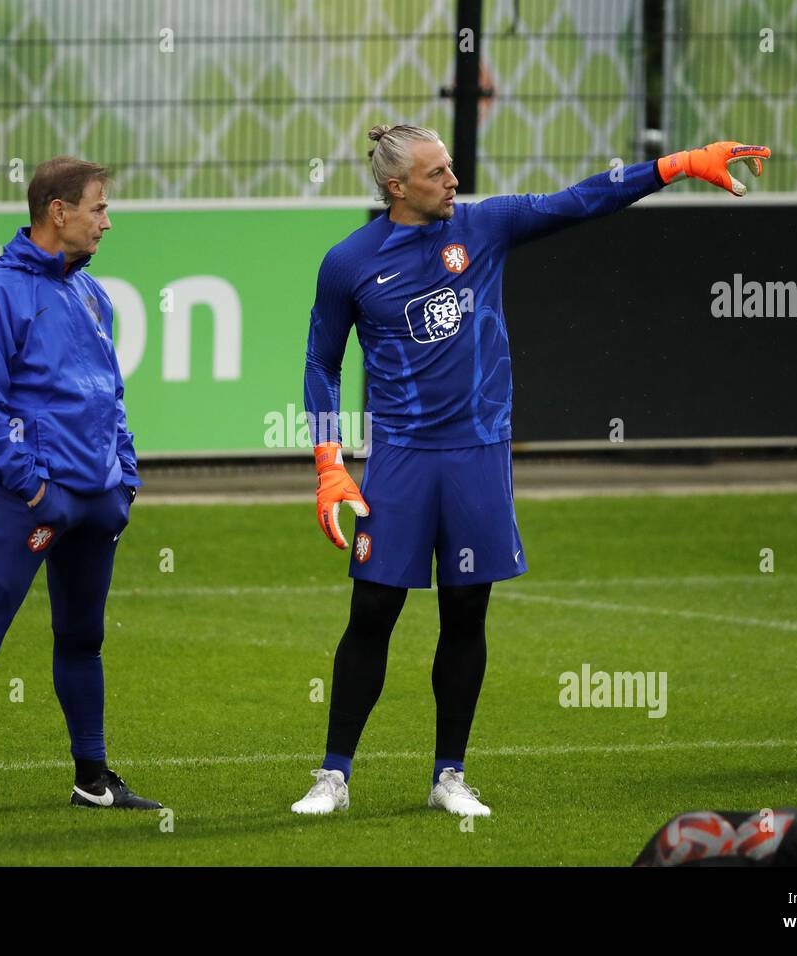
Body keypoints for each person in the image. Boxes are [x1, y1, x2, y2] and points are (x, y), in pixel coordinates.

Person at [293, 127, 770, 816]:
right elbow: (320, 362)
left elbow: (581, 201)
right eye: (436, 173)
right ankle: (333, 777)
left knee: (466, 611)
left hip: (479, 454)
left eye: (451, 168)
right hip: (398, 460)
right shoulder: (348, 263)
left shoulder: (485, 225)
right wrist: (328, 460)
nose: (453, 180)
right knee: (372, 610)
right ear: (396, 187)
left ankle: (449, 777)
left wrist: (678, 165)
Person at [0, 156, 160, 819]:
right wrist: (33, 488)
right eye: (98, 208)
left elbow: (113, 396)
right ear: (58, 212)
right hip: (28, 498)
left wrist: (125, 479)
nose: (107, 222)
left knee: (83, 639)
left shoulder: (91, 294)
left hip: (96, 498)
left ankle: (92, 778)